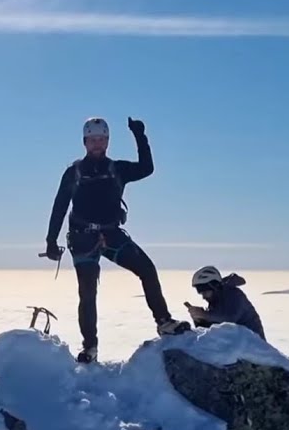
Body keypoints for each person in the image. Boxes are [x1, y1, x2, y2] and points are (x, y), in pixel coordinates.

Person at [43, 116, 191, 363]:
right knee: (87, 293)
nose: (97, 144)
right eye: (93, 140)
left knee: (147, 269)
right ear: (85, 142)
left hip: (111, 234)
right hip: (82, 238)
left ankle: (163, 322)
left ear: (108, 141)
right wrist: (50, 241)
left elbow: (147, 168)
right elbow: (59, 206)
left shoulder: (117, 168)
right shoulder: (74, 172)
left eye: (101, 139)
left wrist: (140, 137)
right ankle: (90, 347)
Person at [184, 266, 266, 340]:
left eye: (205, 292)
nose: (204, 297)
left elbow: (229, 318)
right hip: (237, 346)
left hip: (253, 347)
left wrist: (204, 314)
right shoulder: (217, 300)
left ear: (214, 286)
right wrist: (199, 320)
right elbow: (213, 329)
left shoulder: (233, 295)